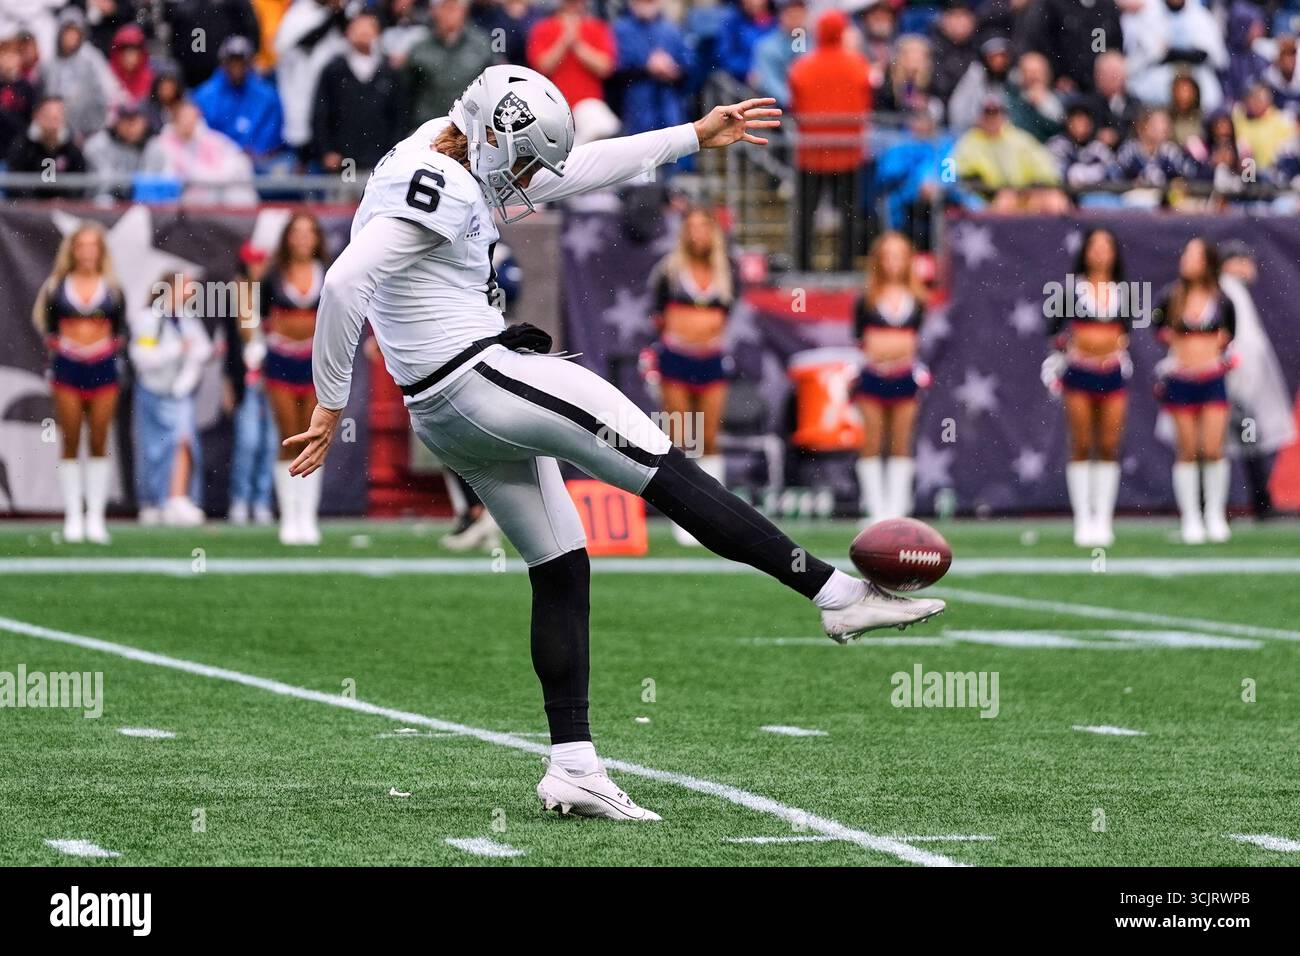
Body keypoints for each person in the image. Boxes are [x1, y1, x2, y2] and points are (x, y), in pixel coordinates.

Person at [286, 65, 945, 820]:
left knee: (560, 560)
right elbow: (343, 285)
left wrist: (693, 136)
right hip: (477, 376)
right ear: (497, 137)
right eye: (526, 158)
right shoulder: (445, 178)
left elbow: (582, 169)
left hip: (444, 404)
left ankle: (573, 764)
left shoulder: (452, 150)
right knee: (661, 462)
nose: (533, 178)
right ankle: (835, 595)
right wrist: (331, 401)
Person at [643, 206, 736, 546]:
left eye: (704, 226)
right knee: (683, 437)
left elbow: (728, 312)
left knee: (710, 436)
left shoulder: (727, 271)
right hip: (675, 359)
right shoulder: (668, 271)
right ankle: (685, 515)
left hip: (711, 360)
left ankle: (714, 511)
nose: (697, 233)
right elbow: (657, 313)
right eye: (691, 226)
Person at [33, 223, 126, 544]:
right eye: (81, 245)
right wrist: (68, 347)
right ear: (72, 250)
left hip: (102, 369)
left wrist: (100, 347)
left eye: (93, 246)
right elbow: (47, 327)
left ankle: (95, 518)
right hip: (68, 370)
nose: (87, 252)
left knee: (99, 437)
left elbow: (119, 331)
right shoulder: (57, 286)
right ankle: (73, 515)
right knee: (70, 437)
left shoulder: (113, 289)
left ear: (101, 251)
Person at [1042, 228, 1130, 547]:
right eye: (1094, 246)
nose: (1100, 252)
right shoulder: (1071, 290)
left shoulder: (1124, 292)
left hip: (1112, 373)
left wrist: (1115, 344)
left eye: (1107, 246)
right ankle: (1083, 517)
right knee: (1080, 443)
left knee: (1108, 444)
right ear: (1085, 252)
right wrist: (1069, 347)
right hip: (1079, 373)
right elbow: (1051, 329)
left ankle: (1103, 518)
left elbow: (1130, 330)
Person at [1152, 237, 1236, 544]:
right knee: (1186, 450)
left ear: (1207, 262)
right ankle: (1191, 517)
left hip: (1212, 379)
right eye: (1186, 254)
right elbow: (1157, 328)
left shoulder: (1222, 300)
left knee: (1212, 448)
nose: (1186, 260)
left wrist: (1220, 351)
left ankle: (1215, 514)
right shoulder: (1170, 297)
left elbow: (1231, 335)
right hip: (1181, 381)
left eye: (1194, 255)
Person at [853, 232, 929, 523]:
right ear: (878, 261)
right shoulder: (867, 298)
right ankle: (875, 510)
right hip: (873, 376)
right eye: (887, 255)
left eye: (899, 255)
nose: (893, 262)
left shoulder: (918, 299)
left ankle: (897, 510)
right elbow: (859, 336)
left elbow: (918, 336)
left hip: (905, 375)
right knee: (872, 440)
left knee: (901, 440)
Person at [264, 211, 330, 545]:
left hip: (315, 364)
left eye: (309, 232)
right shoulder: (273, 274)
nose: (303, 238)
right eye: (297, 232)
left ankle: (308, 516)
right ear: (288, 238)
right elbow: (258, 316)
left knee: (312, 438)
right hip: (280, 361)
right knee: (289, 436)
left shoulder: (329, 273)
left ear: (317, 238)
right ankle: (289, 517)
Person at [788, 8, 871, 271]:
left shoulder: (803, 67)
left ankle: (803, 266)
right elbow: (864, 106)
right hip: (847, 152)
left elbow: (797, 107)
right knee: (848, 215)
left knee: (806, 214)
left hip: (811, 152)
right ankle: (844, 266)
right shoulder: (858, 65)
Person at [129, 272, 213, 527]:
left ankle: (177, 498)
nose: (189, 290)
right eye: (184, 285)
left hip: (178, 395)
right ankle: (154, 502)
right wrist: (177, 349)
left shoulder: (187, 319)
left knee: (182, 441)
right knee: (153, 449)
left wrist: (184, 381)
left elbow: (203, 349)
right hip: (153, 392)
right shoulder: (148, 318)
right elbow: (142, 357)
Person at [1218, 241, 1295, 520]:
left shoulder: (1234, 291)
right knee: (1230, 445)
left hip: (1232, 383)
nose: (1250, 268)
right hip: (1232, 384)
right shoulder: (1228, 290)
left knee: (1239, 445)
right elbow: (1241, 345)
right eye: (1244, 261)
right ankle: (1253, 505)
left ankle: (1252, 503)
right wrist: (1240, 385)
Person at [227, 242, 279, 527]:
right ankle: (240, 499)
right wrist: (228, 382)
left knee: (271, 442)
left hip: (273, 377)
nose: (257, 267)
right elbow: (232, 345)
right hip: (246, 379)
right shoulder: (237, 294)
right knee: (247, 442)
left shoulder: (274, 293)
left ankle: (261, 500)